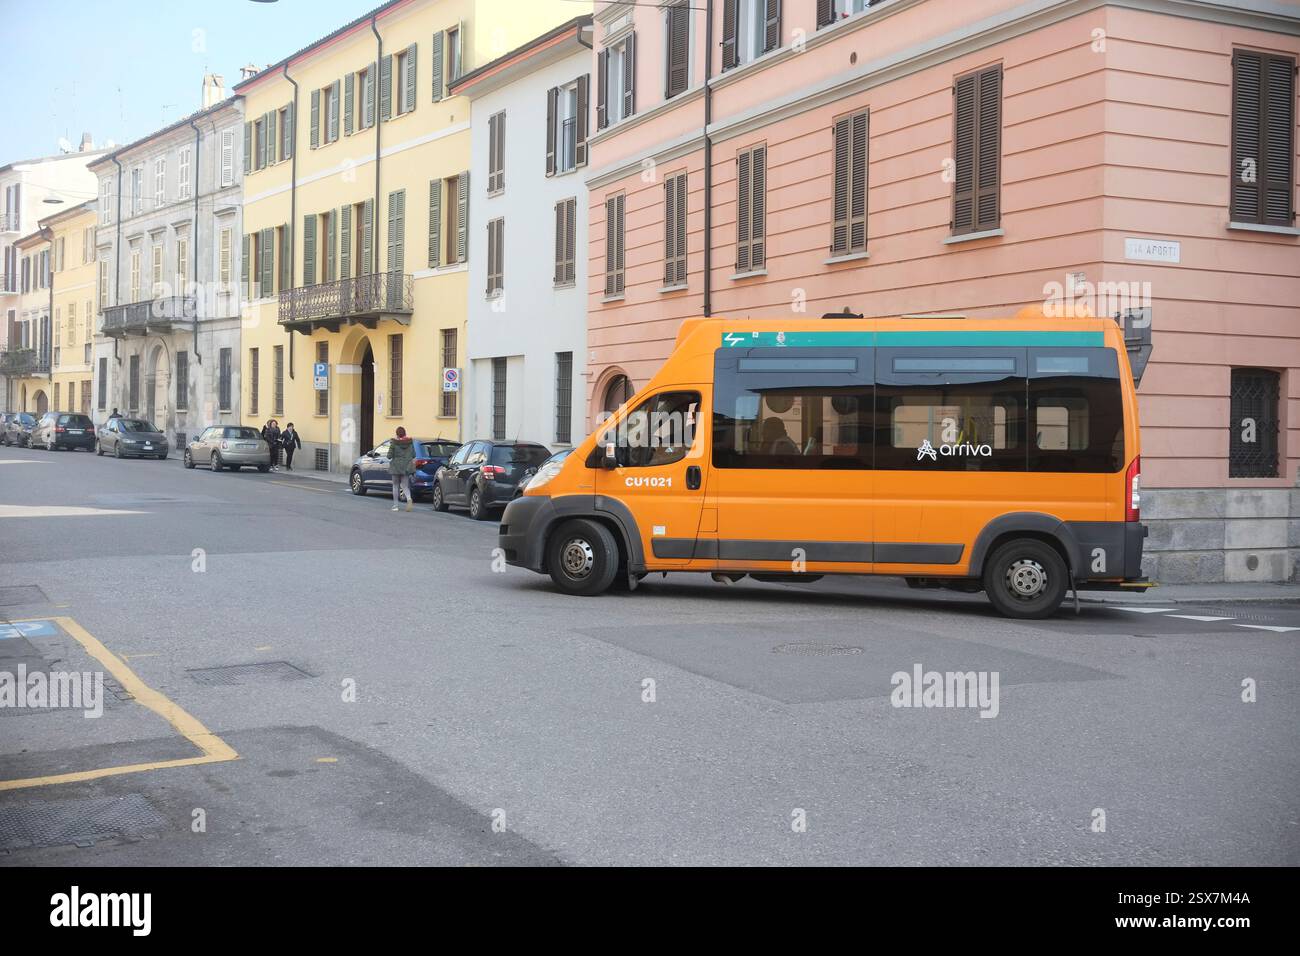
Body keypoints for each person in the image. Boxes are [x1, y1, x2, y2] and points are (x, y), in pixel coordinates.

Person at [388, 426, 416, 512]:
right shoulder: (410, 443)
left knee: (395, 485)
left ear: (397, 434)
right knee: (404, 486)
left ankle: (395, 506)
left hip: (396, 467)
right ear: (405, 433)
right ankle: (409, 499)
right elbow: (414, 455)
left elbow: (389, 456)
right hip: (406, 467)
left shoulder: (394, 443)